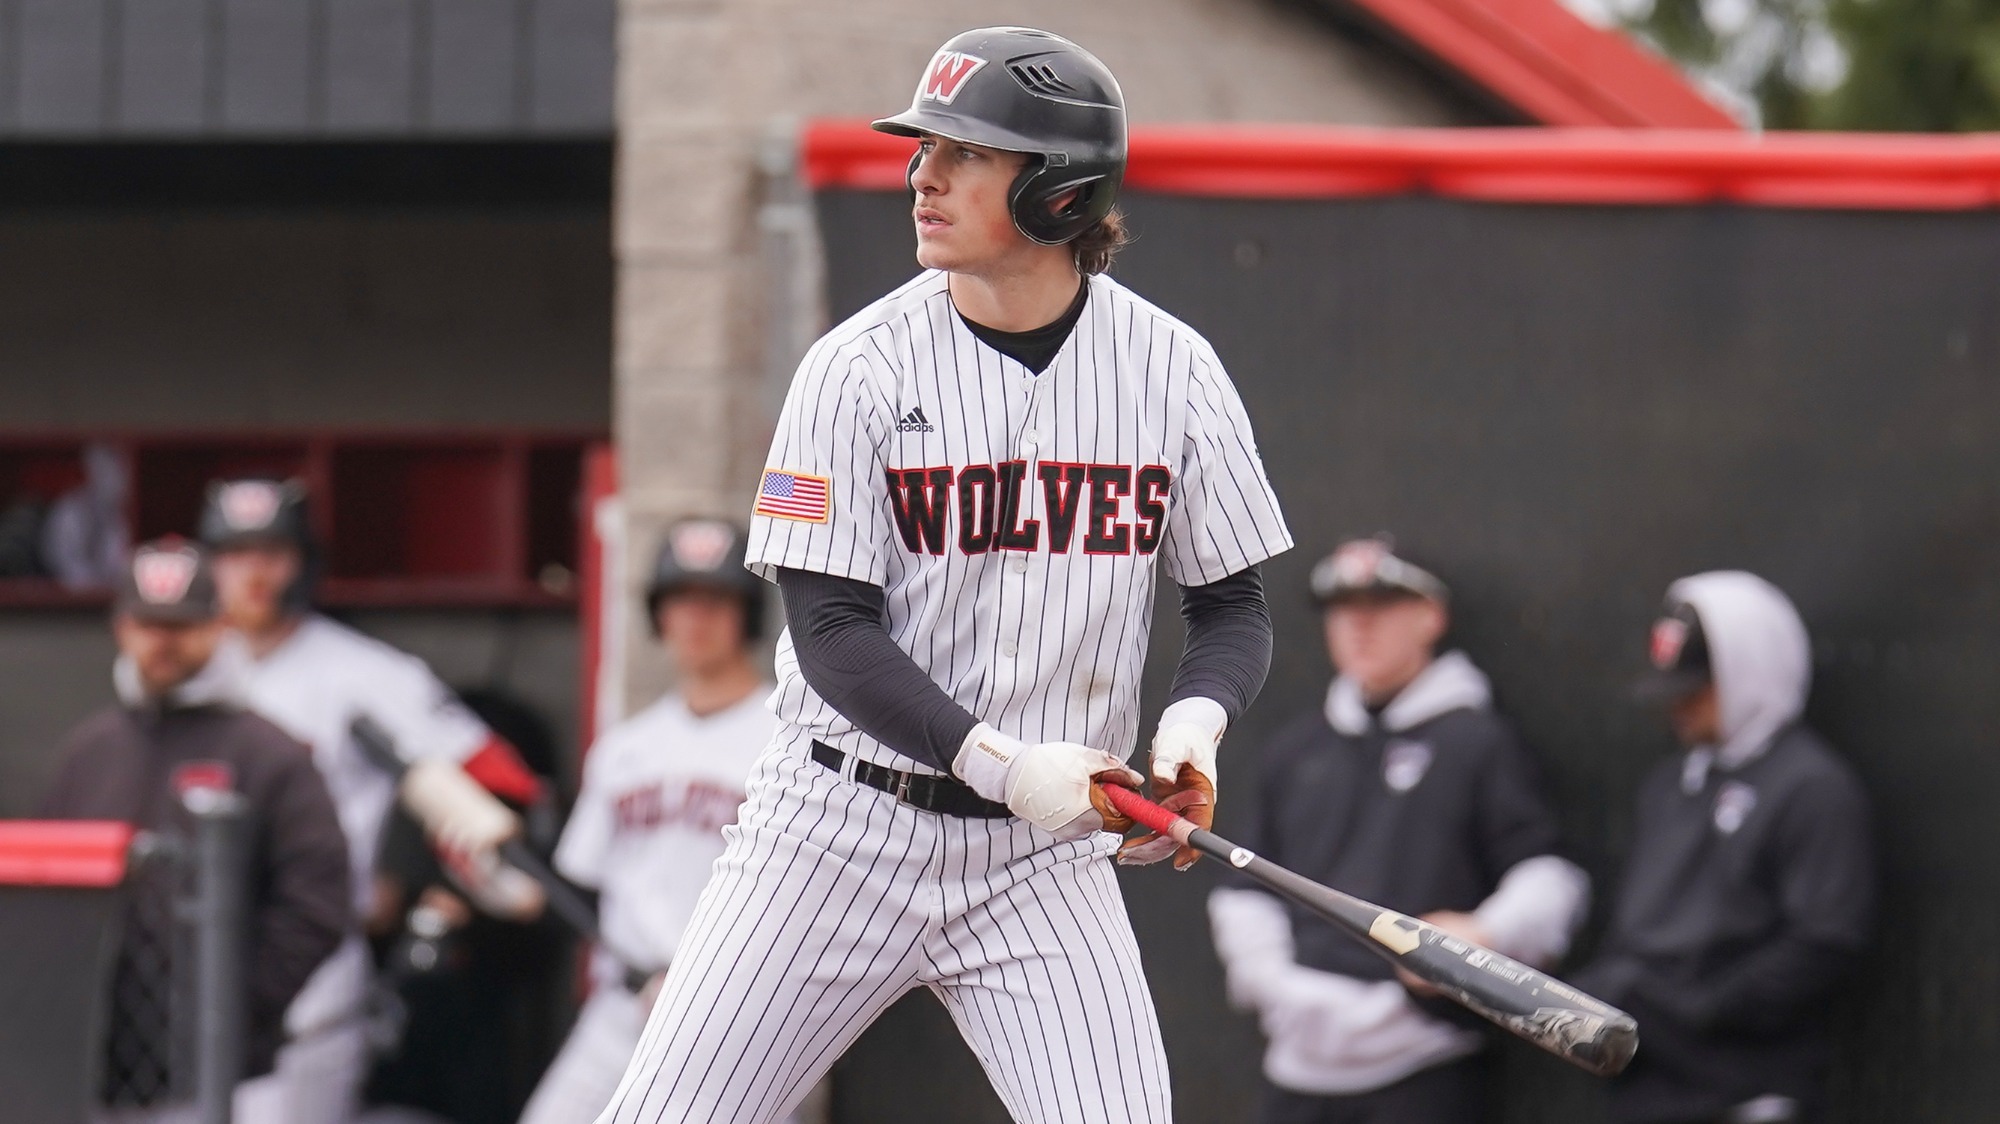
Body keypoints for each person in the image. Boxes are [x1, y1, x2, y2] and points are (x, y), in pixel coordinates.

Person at [598, 26, 1292, 1124]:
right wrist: (1000, 761)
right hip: (834, 826)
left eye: (965, 152)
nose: (922, 174)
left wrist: (1195, 721)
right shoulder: (853, 365)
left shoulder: (1173, 368)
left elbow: (1229, 604)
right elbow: (828, 628)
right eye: (925, 147)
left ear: (1059, 189)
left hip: (1040, 854)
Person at [197, 477, 549, 1124]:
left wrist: (413, 877)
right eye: (235, 553)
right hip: (192, 952)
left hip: (312, 958)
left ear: (303, 563)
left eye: (271, 553)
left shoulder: (363, 672)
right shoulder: (190, 668)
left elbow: (501, 783)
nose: (252, 572)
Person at [1208, 538, 1588, 1124]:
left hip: (1425, 1069)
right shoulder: (1295, 752)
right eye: (1342, 607)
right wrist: (1273, 982)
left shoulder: (1478, 744)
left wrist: (1481, 934)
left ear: (1431, 616)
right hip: (1296, 1070)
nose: (1359, 624)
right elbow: (1243, 886)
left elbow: (1552, 877)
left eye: (1381, 604)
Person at [38, 538, 350, 1122]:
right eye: (148, 624)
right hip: (94, 1063)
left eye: (181, 625)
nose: (163, 643)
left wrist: (229, 1004)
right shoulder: (90, 751)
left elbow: (318, 901)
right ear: (121, 627)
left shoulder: (267, 752)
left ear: (218, 625)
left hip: (227, 1070)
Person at [1576, 572, 1876, 1124]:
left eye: (1697, 688)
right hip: (1645, 1091)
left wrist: (1703, 1008)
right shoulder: (1667, 785)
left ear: (1751, 669)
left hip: (1744, 1094)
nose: (1679, 707)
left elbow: (1825, 941)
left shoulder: (1812, 786)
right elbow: (1634, 928)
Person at [519, 519, 792, 1124]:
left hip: (732, 1013)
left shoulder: (788, 741)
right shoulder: (626, 747)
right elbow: (578, 881)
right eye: (681, 601)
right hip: (624, 1005)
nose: (696, 619)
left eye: (715, 602)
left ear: (746, 614)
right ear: (658, 614)